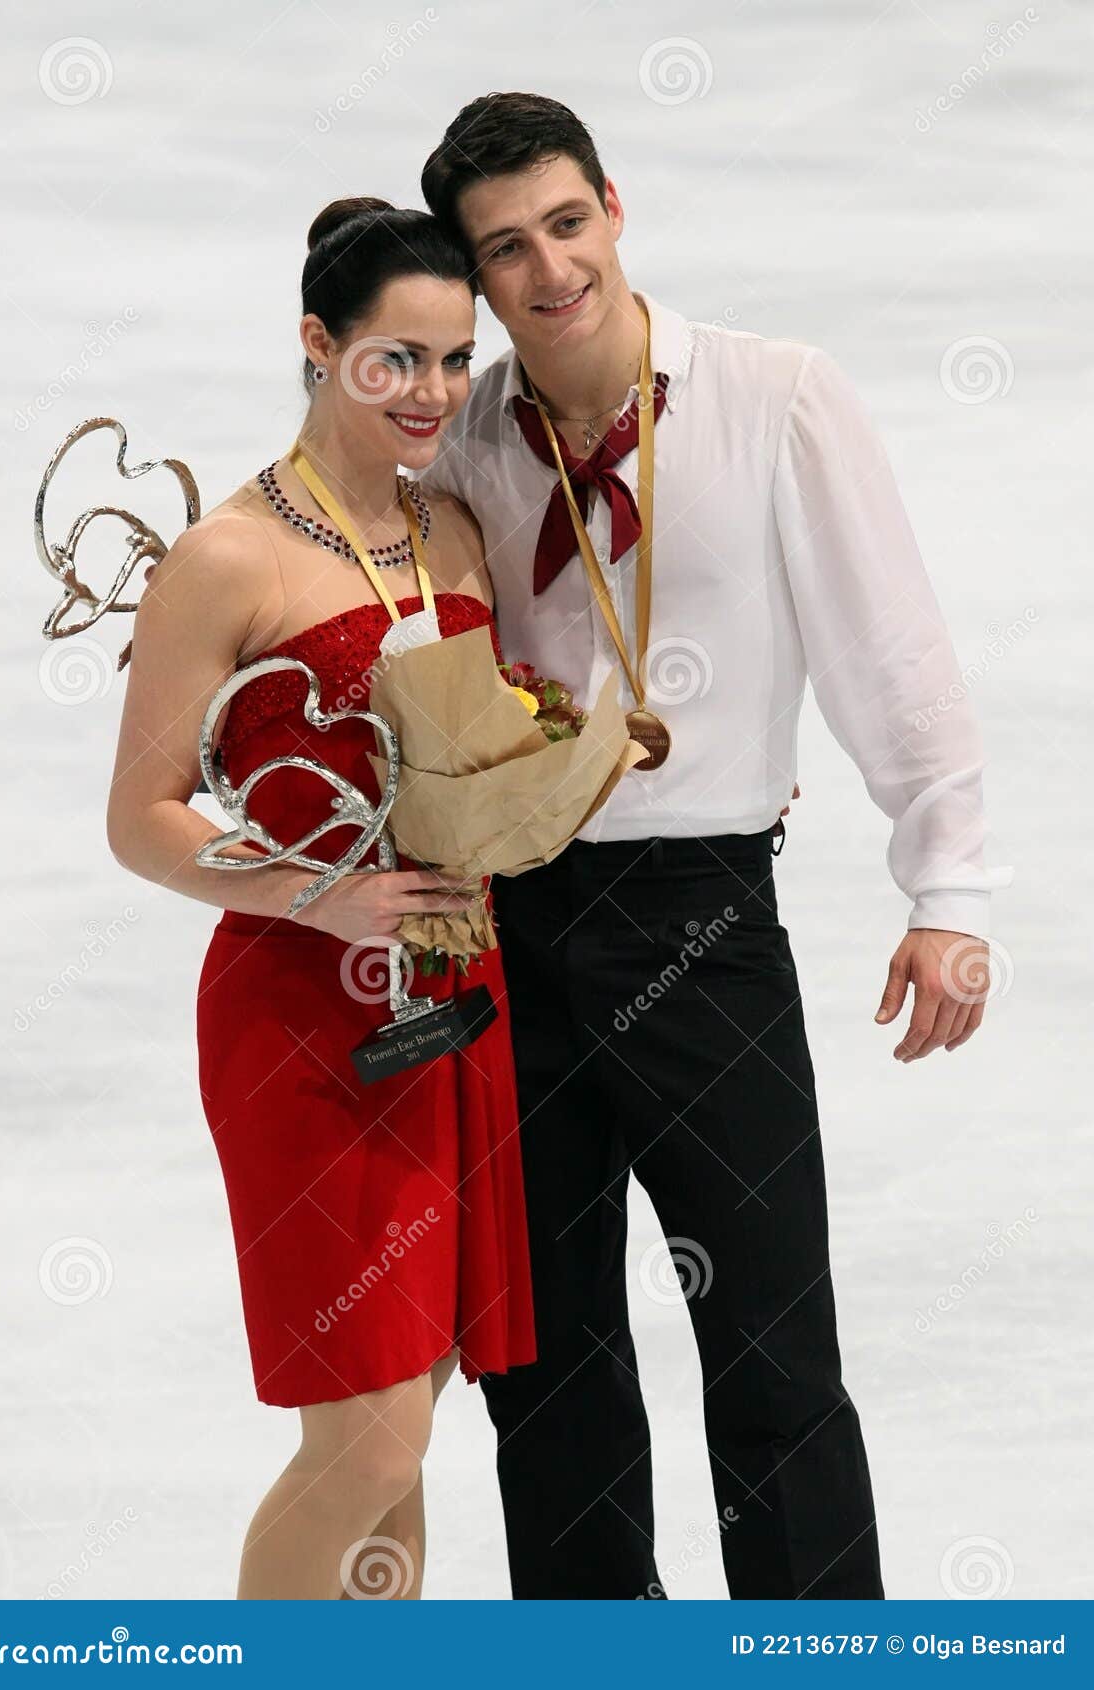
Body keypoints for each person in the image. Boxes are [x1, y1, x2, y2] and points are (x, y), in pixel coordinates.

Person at [415, 92, 1010, 1599]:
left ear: (615, 208)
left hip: (699, 921)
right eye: (507, 251)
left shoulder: (775, 395)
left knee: (769, 1345)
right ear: (476, 280)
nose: (550, 271)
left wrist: (944, 886)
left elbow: (895, 649)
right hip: (506, 932)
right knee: (544, 1368)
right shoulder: (470, 439)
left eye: (566, 223)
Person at [105, 196, 536, 1599]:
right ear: (317, 346)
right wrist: (321, 898)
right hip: (303, 1018)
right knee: (360, 1442)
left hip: (452, 1008)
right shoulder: (227, 557)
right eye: (394, 360)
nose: (431, 393)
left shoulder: (454, 534)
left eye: (453, 360)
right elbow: (144, 823)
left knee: (403, 1427)